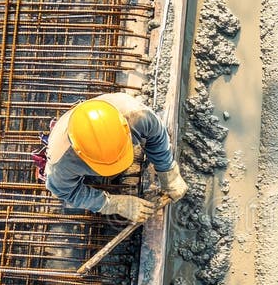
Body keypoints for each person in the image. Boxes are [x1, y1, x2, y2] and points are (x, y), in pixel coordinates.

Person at [44, 92, 187, 223]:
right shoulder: (61, 161)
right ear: (81, 155)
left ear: (126, 130)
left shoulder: (136, 115)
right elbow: (65, 191)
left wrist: (169, 174)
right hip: (70, 155)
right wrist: (114, 204)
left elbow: (157, 137)